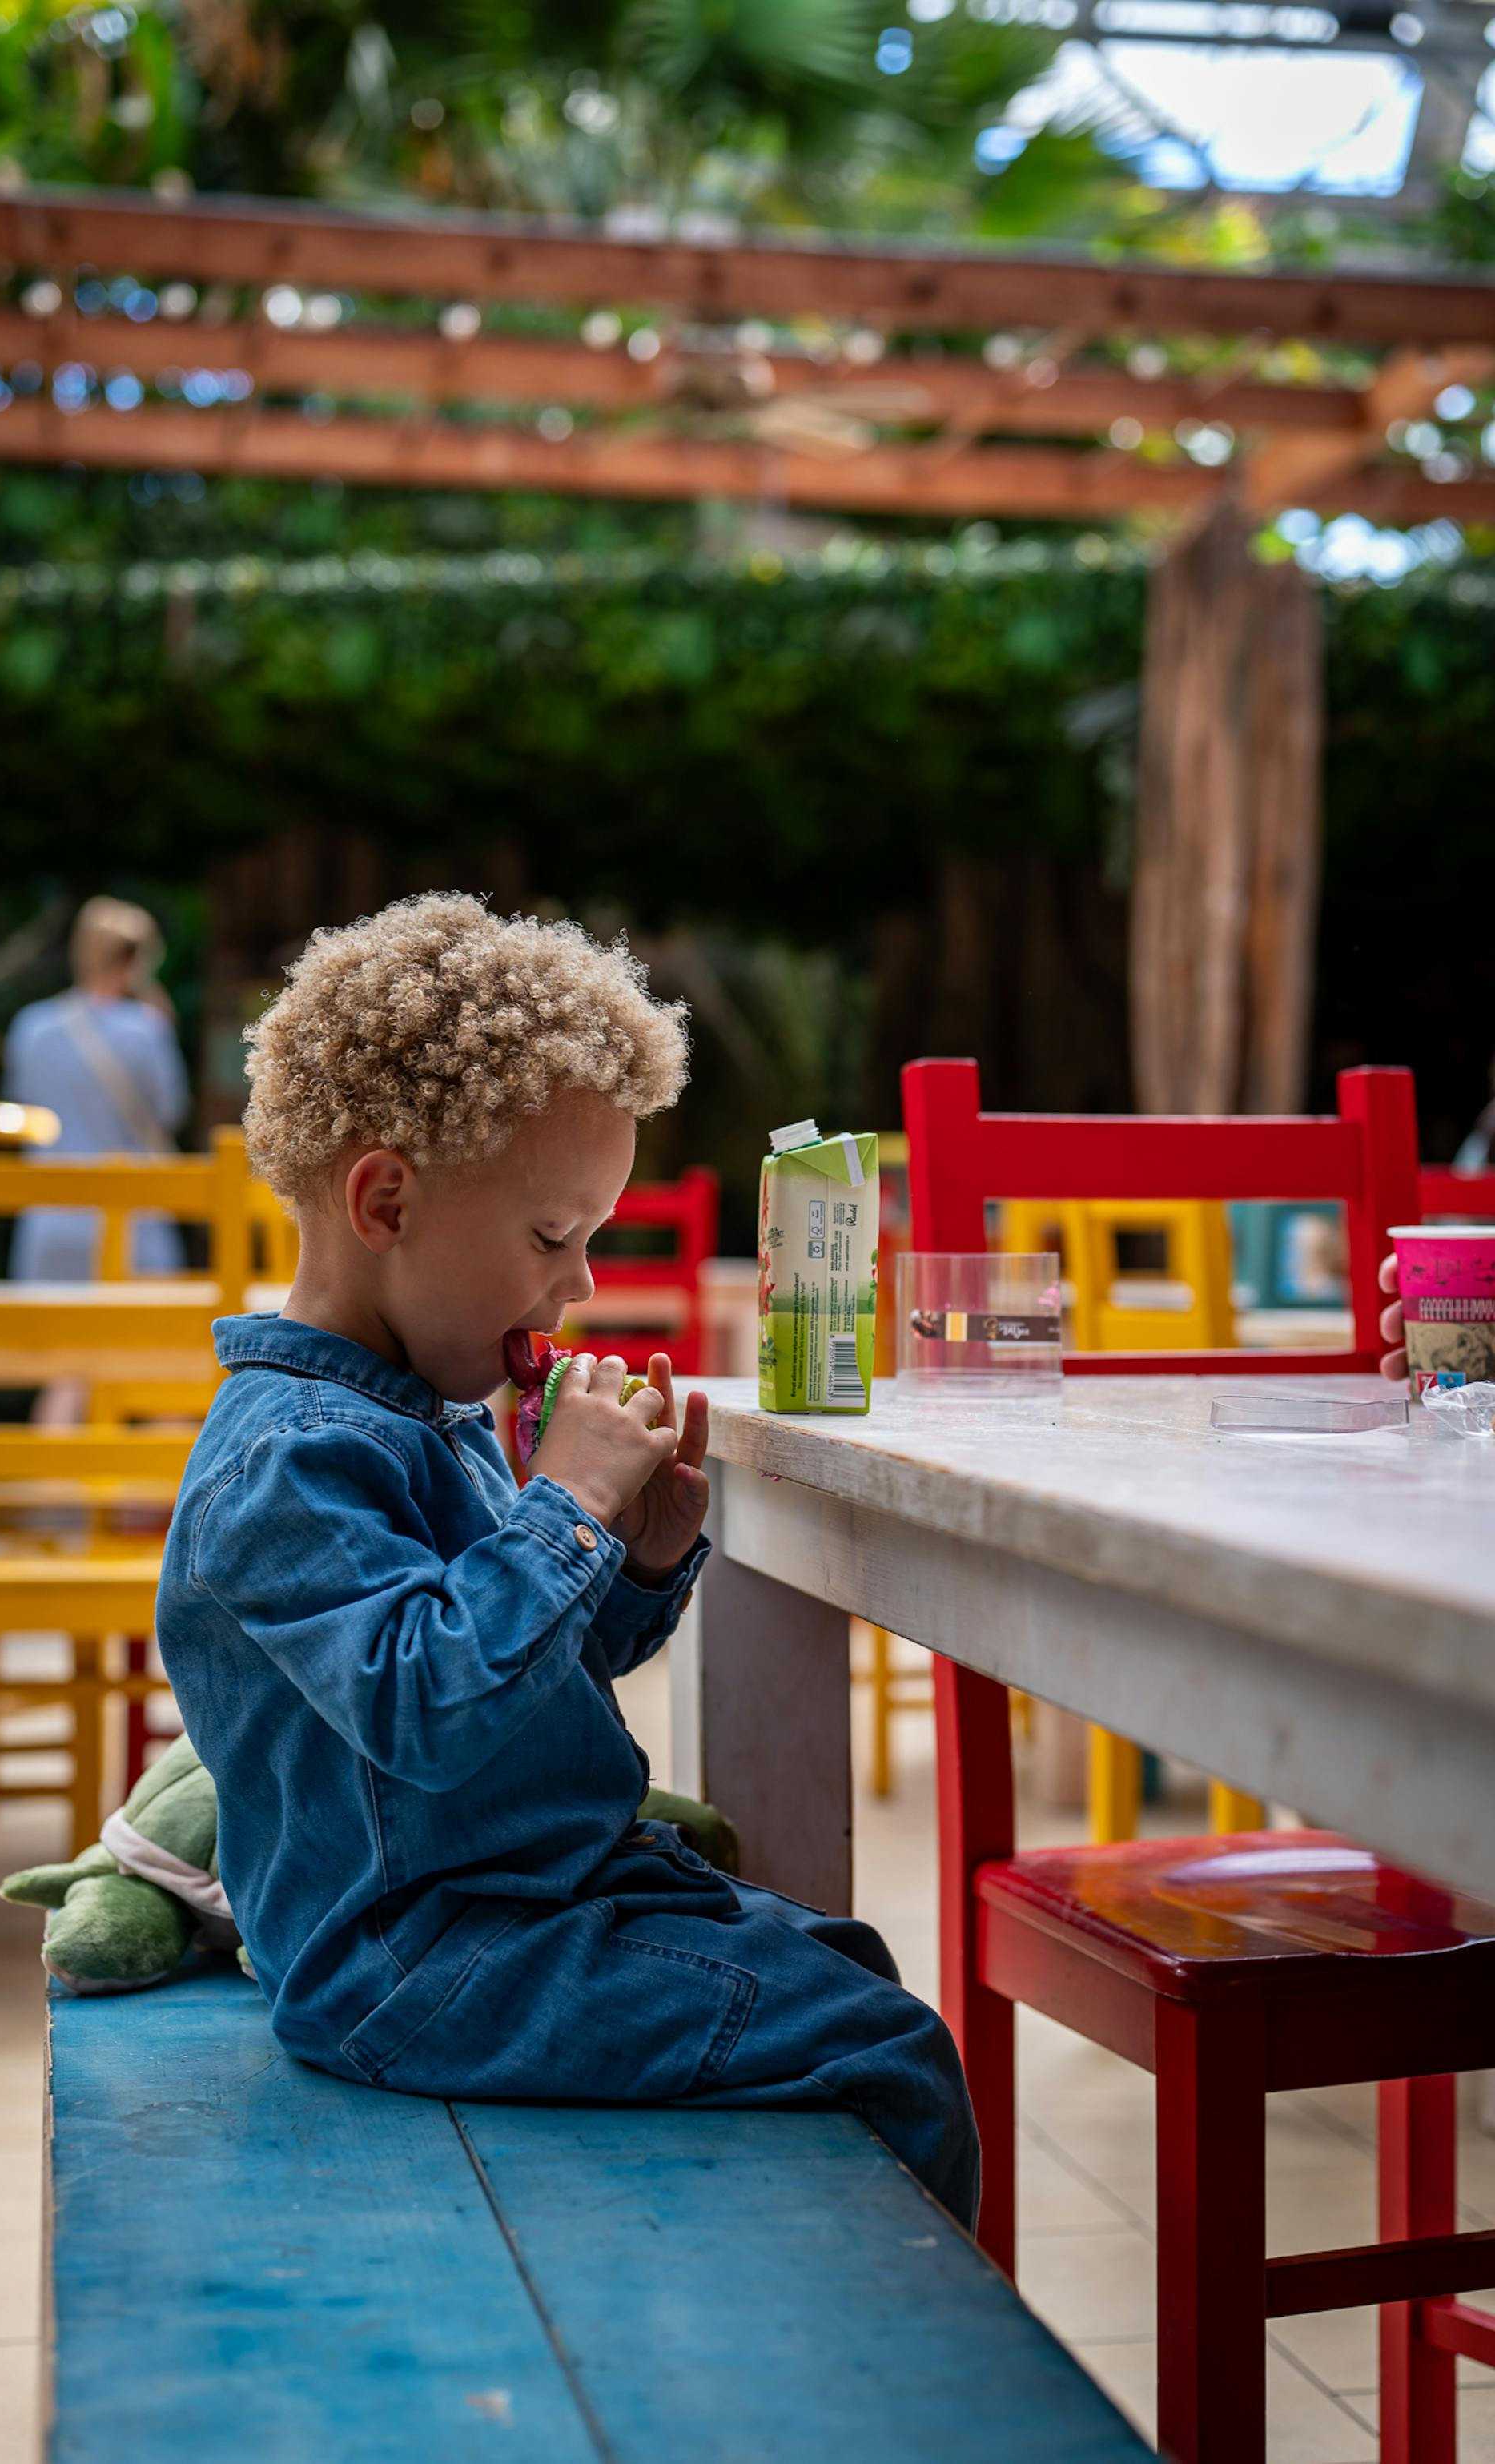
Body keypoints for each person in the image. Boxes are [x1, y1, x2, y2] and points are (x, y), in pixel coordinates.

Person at [155, 894, 979, 2227]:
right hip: (417, 1962)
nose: (581, 1282)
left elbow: (525, 1674)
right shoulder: (291, 1460)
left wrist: (634, 1561)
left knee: (843, 1962)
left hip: (523, 1909)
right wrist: (567, 1510)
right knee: (886, 2052)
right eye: (552, 1237)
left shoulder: (416, 1407)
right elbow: (427, 1708)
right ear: (384, 1198)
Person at [3, 897, 189, 1280]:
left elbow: (19, 1112)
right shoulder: (148, 1028)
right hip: (135, 1222)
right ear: (137, 960)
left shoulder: (31, 1026)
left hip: (50, 1218)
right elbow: (172, 1111)